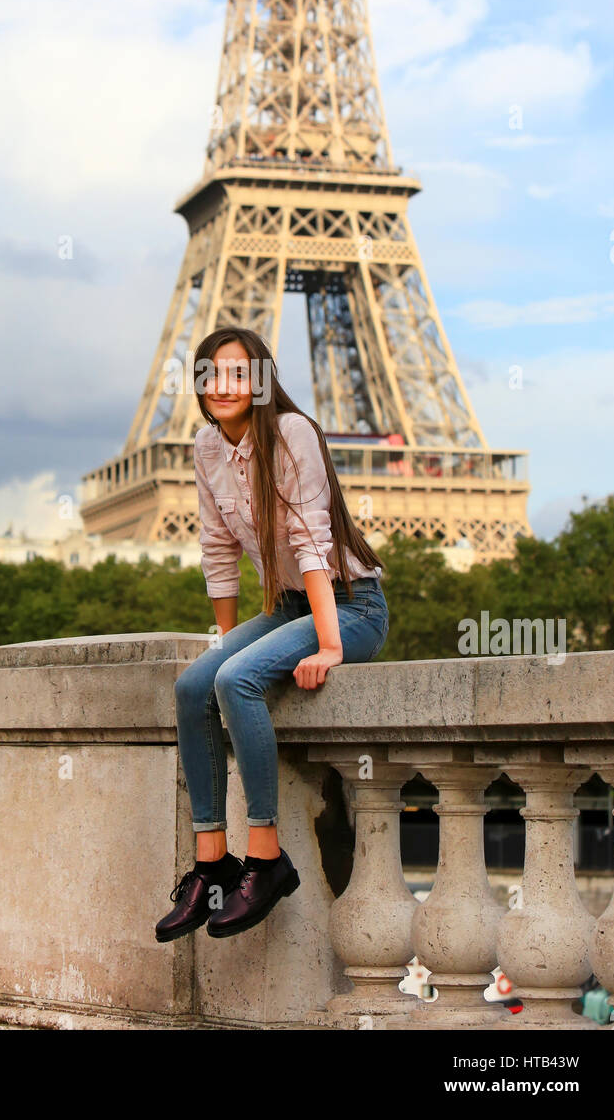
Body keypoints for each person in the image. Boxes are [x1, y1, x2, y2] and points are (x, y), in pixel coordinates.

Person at [155, 326, 389, 944]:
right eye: (210, 374)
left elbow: (312, 540)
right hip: (287, 608)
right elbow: (218, 548)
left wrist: (332, 645)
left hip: (350, 606)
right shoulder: (207, 448)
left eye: (238, 373)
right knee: (192, 686)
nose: (223, 386)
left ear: (260, 381)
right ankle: (212, 863)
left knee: (238, 679)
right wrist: (229, 640)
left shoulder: (292, 433)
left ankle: (265, 858)